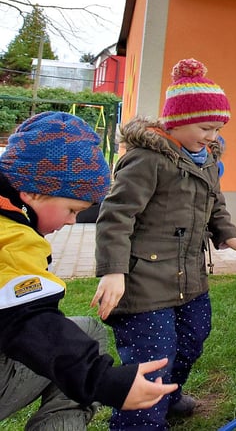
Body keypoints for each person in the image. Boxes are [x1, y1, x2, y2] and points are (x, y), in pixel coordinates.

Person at [92, 58, 236, 429]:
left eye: (218, 128)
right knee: (152, 358)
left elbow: (215, 202)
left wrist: (229, 235)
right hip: (144, 282)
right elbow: (116, 216)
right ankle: (139, 422)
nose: (213, 135)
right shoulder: (147, 159)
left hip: (189, 278)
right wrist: (113, 272)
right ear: (177, 121)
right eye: (205, 126)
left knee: (192, 339)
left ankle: (168, 395)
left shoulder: (206, 159)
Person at [0, 112, 178, 428]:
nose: (71, 221)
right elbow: (30, 322)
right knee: (76, 347)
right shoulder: (13, 239)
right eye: (72, 210)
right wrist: (106, 380)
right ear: (32, 193)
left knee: (87, 330)